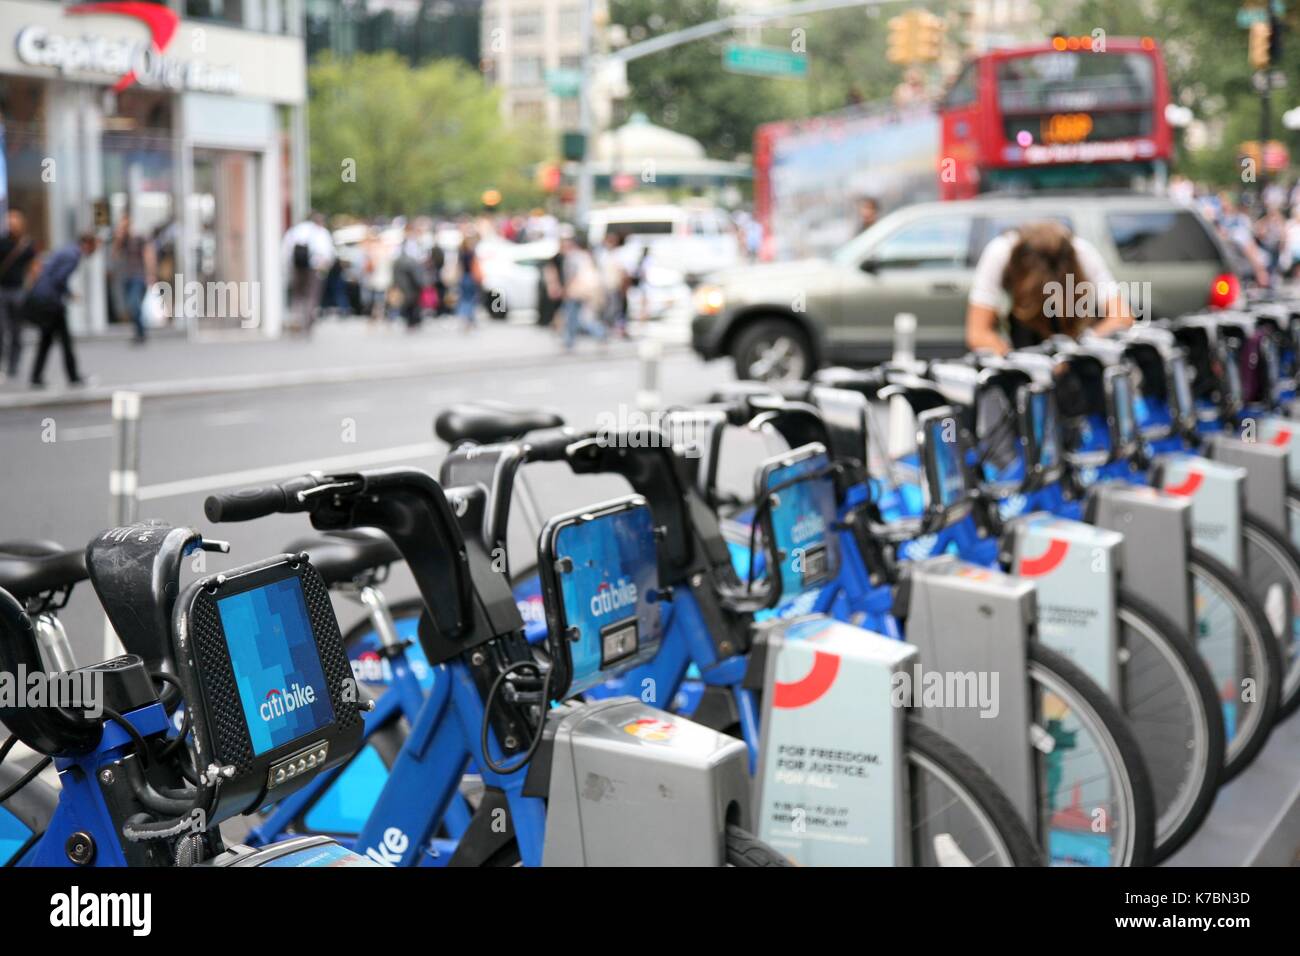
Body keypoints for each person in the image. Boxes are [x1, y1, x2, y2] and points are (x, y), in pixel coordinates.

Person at [964, 220, 1133, 355]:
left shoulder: (1082, 253)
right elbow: (978, 333)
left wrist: (1081, 348)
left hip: (1072, 337)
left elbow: (1122, 317)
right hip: (1022, 339)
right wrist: (1011, 359)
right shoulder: (1000, 253)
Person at [26, 233, 98, 388]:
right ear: (88, 244)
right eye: (94, 247)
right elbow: (59, 278)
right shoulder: (73, 256)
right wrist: (69, 293)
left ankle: (36, 376)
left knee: (46, 340)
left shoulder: (67, 250)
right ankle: (73, 377)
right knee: (65, 341)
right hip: (52, 302)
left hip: (44, 298)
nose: (94, 251)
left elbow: (48, 271)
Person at [281, 211, 335, 333]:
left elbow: (285, 250)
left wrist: (288, 267)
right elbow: (327, 252)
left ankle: (297, 320)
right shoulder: (320, 232)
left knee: (298, 295)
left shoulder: (295, 230)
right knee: (312, 295)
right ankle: (308, 322)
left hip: (297, 267)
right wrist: (324, 267)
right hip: (314, 268)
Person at [0, 209, 38, 380]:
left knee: (16, 330)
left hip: (18, 291)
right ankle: (3, 361)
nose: (11, 226)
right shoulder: (2, 242)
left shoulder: (27, 244)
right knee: (2, 328)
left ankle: (13, 365)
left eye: (14, 222)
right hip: (2, 290)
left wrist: (32, 286)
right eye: (9, 223)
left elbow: (34, 265)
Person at [107, 215, 154, 343]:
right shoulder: (123, 241)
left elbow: (148, 255)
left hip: (139, 276)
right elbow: (114, 255)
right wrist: (119, 238)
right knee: (131, 305)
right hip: (126, 277)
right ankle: (139, 332)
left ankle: (141, 332)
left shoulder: (139, 238)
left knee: (134, 303)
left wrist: (150, 274)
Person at [559, 232, 606, 351]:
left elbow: (572, 276)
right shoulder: (586, 255)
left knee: (573, 317)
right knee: (583, 316)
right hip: (588, 290)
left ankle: (570, 341)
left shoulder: (572, 257)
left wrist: (566, 289)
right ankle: (599, 333)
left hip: (576, 290)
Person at [456, 235, 482, 331]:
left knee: (464, 298)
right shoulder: (471, 253)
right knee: (470, 299)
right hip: (470, 277)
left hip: (463, 278)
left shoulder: (461, 253)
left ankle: (467, 318)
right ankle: (468, 318)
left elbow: (459, 267)